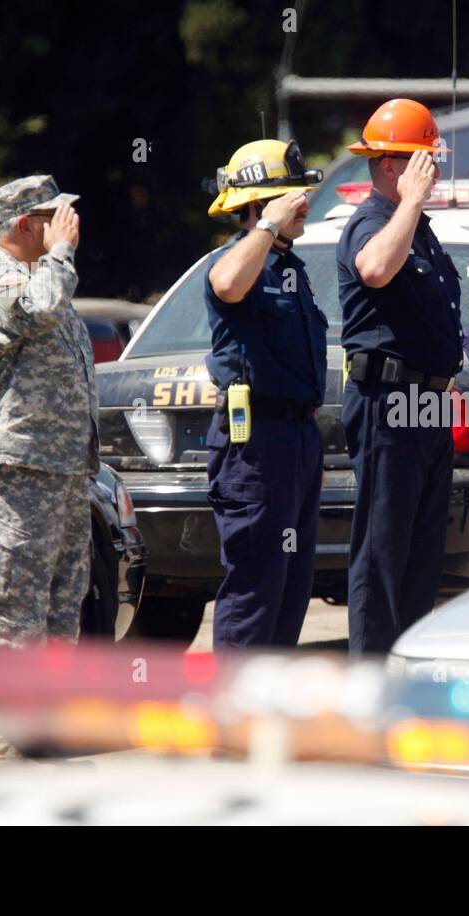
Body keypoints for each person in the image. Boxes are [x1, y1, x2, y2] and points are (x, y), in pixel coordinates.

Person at [0, 176, 91, 764]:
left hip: (63, 475)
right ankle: (6, 749)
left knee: (63, 609)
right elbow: (37, 309)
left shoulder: (47, 279)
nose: (66, 225)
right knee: (13, 616)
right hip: (14, 477)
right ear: (22, 225)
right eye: (53, 217)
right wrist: (61, 254)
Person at [337, 99, 463, 652]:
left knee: (421, 553)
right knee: (383, 552)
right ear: (391, 166)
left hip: (429, 406)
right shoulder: (372, 222)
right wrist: (409, 205)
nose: (433, 170)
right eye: (424, 159)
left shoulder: (419, 227)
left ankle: (404, 673)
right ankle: (370, 688)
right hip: (388, 401)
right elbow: (375, 268)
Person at [202, 139, 326, 647]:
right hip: (255, 446)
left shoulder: (289, 267)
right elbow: (228, 283)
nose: (305, 203)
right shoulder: (238, 259)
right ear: (260, 203)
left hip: (296, 440)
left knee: (291, 590)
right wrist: (269, 226)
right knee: (255, 588)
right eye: (292, 195)